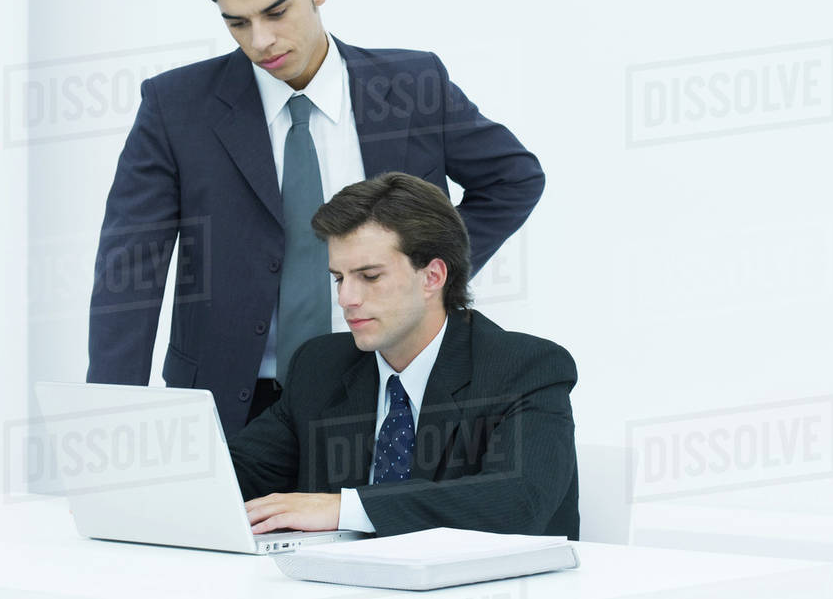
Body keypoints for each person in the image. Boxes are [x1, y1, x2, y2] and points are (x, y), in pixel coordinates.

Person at [87, 0, 545, 436]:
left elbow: (513, 180)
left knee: (374, 519)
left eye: (276, 11)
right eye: (237, 23)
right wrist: (110, 417)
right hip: (232, 402)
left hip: (386, 388)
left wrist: (426, 274)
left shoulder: (413, 84)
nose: (261, 40)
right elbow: (131, 272)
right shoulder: (177, 107)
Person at [230, 172, 578, 538]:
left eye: (370, 276)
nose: (346, 298)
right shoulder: (320, 365)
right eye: (339, 277)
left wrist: (347, 508)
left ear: (432, 277)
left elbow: (518, 502)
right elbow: (241, 473)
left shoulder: (525, 368)